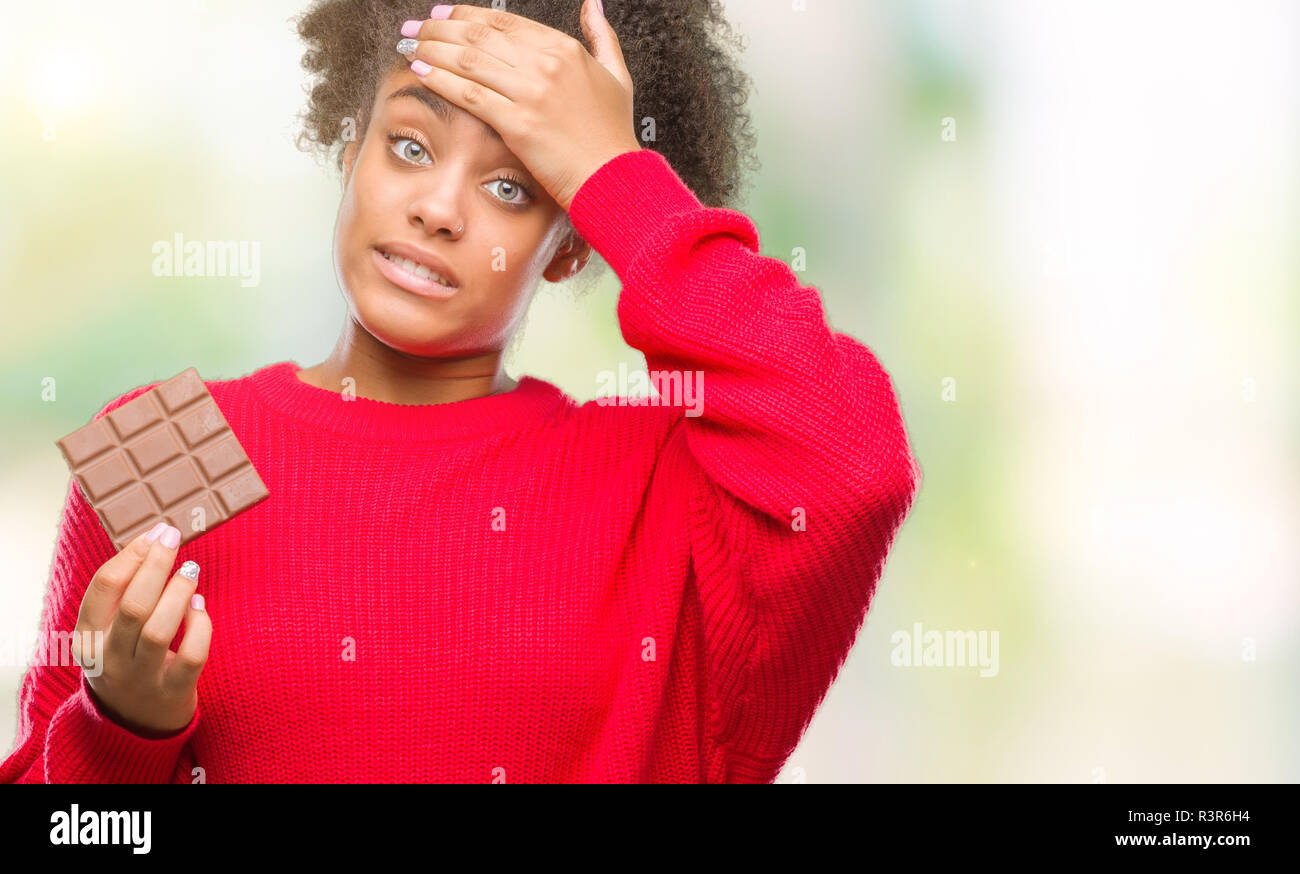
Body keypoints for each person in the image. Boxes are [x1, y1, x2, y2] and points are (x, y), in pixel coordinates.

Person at [0, 0, 920, 783]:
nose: (439, 208)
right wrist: (120, 728)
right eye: (407, 144)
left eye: (515, 187)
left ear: (569, 242)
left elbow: (857, 464)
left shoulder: (658, 489)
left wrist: (613, 171)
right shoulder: (168, 446)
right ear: (348, 148)